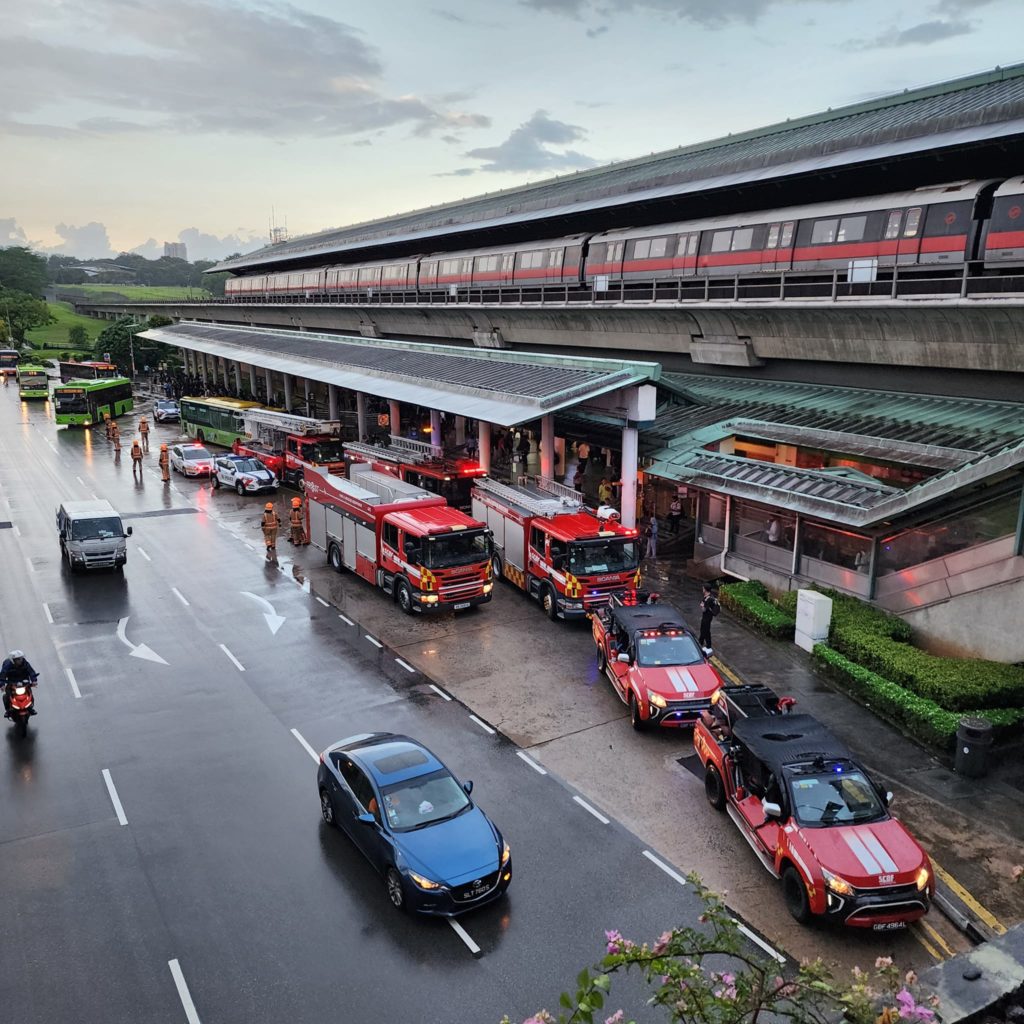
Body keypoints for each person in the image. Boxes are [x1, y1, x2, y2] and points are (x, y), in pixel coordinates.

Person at [1, 650, 39, 718]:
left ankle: (30, 707)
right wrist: (2, 685)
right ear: (13, 660)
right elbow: (2, 675)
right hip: (12, 682)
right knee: (7, 694)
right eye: (17, 659)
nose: (20, 660)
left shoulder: (25, 663)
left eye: (21, 658)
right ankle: (8, 710)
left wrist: (34, 681)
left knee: (29, 693)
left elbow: (31, 672)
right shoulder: (7, 665)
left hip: (24, 681)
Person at [698, 584, 720, 657]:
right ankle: (706, 645)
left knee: (704, 630)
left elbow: (704, 610)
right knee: (705, 631)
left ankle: (701, 644)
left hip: (707, 618)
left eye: (703, 588)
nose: (702, 589)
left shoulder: (708, 599)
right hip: (707, 617)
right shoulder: (709, 597)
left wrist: (702, 606)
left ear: (705, 589)